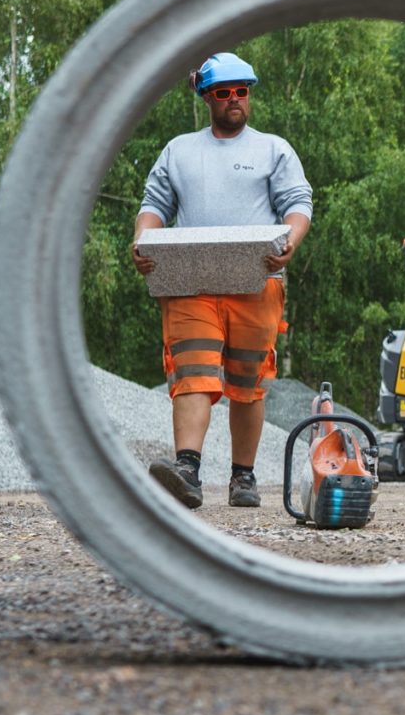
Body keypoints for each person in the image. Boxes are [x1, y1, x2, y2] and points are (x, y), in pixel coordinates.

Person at [132, 51, 313, 510]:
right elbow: (154, 204)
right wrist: (143, 243)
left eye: (242, 92)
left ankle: (243, 478)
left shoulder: (273, 149)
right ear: (206, 97)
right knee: (192, 374)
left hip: (256, 280)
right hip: (189, 281)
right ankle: (187, 471)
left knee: (248, 382)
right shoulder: (180, 150)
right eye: (224, 93)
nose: (235, 100)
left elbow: (298, 203)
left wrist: (290, 239)